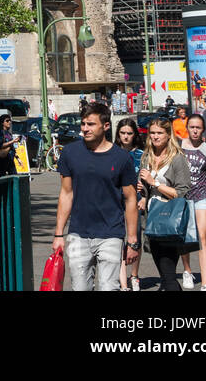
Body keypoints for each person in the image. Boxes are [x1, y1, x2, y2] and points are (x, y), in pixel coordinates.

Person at [52, 102, 140, 291]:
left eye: (91, 124)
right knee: (80, 288)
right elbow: (66, 193)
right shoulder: (70, 153)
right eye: (83, 124)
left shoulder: (122, 158)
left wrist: (132, 240)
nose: (85, 129)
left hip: (111, 234)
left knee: (109, 287)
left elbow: (131, 199)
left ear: (106, 126)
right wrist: (59, 234)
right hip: (78, 234)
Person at [139, 116, 192, 291]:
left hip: (170, 219)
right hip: (151, 217)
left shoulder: (177, 159)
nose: (155, 136)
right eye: (152, 133)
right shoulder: (147, 157)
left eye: (159, 133)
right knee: (165, 274)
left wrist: (154, 183)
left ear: (169, 135)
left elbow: (181, 192)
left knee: (168, 273)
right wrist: (143, 191)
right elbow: (144, 186)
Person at [178, 113, 206, 290]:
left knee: (202, 237)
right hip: (182, 197)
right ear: (187, 128)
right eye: (192, 127)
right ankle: (187, 271)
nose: (195, 131)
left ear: (203, 130)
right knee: (186, 237)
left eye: (198, 128)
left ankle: (205, 283)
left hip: (202, 195)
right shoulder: (178, 146)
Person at [115, 117, 144, 290]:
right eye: (122, 133)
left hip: (136, 200)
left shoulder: (141, 154)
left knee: (135, 240)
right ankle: (123, 282)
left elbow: (147, 176)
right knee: (118, 239)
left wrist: (145, 194)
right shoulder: (112, 152)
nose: (126, 137)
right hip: (116, 200)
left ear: (135, 135)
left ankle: (134, 275)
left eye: (129, 133)